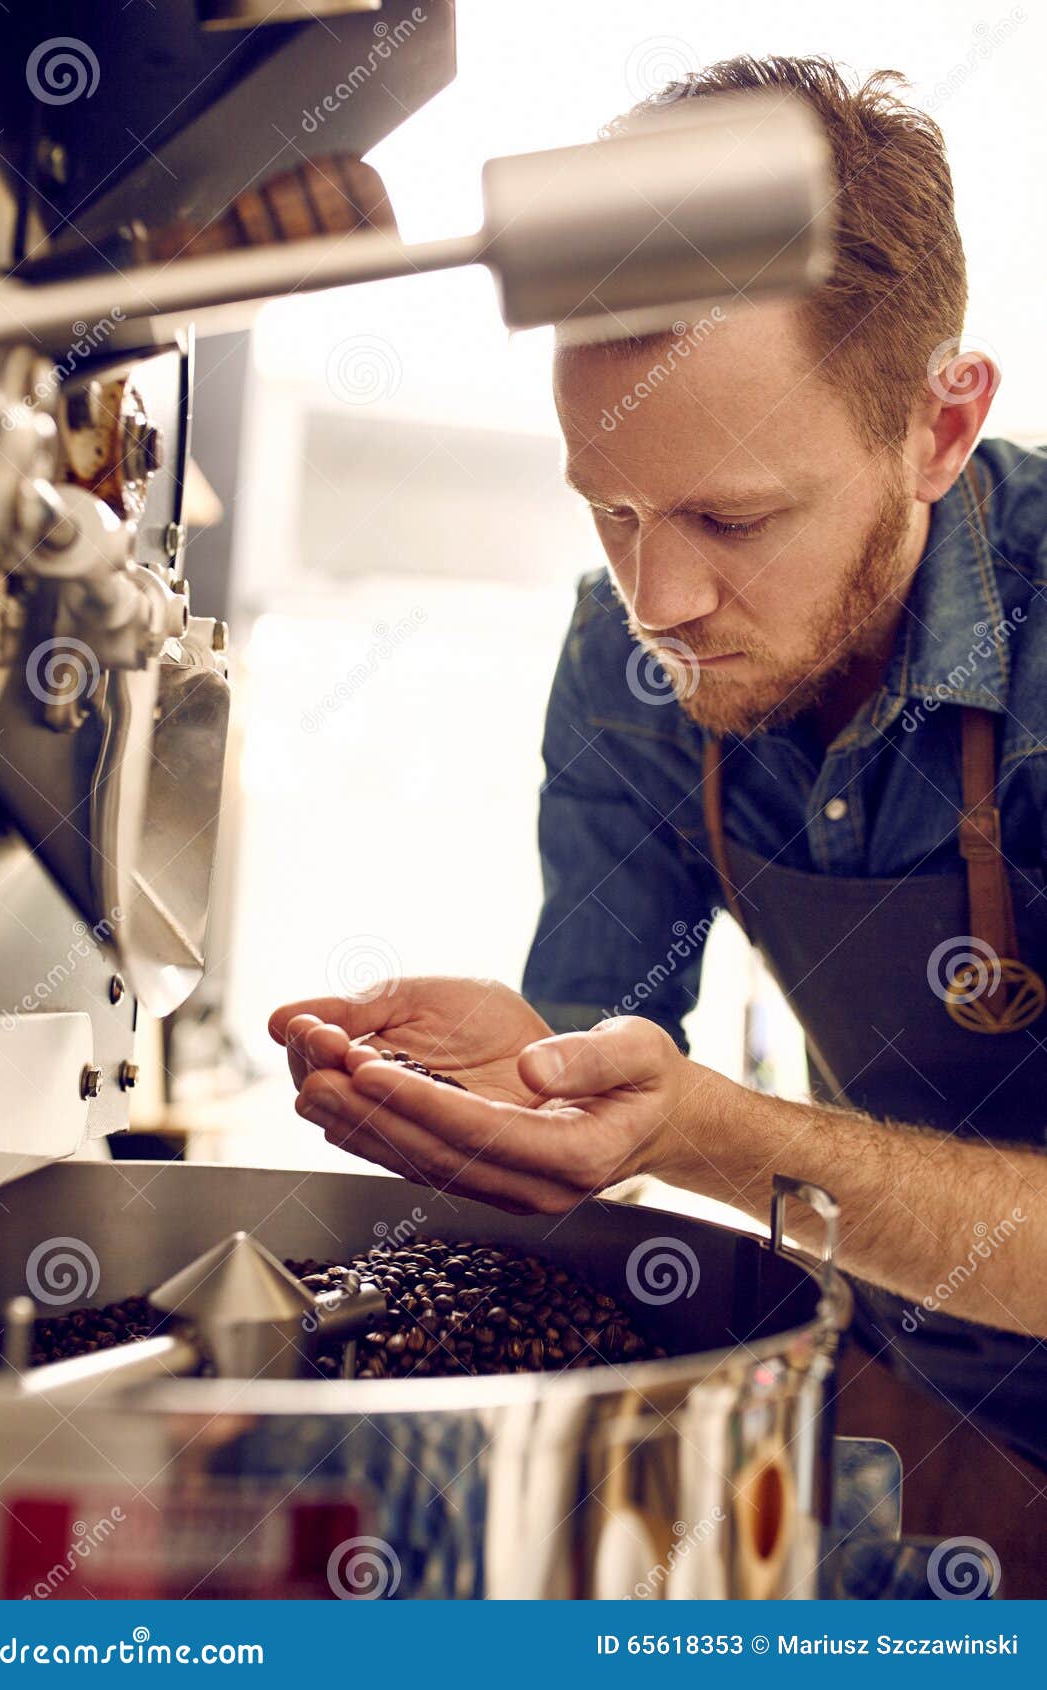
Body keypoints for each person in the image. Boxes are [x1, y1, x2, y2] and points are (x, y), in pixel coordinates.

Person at [270, 57, 1047, 1476]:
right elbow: (595, 1058)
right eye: (610, 508)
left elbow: (691, 1130)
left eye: (731, 519)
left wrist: (710, 1135)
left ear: (939, 428)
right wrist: (532, 1074)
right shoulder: (629, 669)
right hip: (916, 1404)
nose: (658, 597)